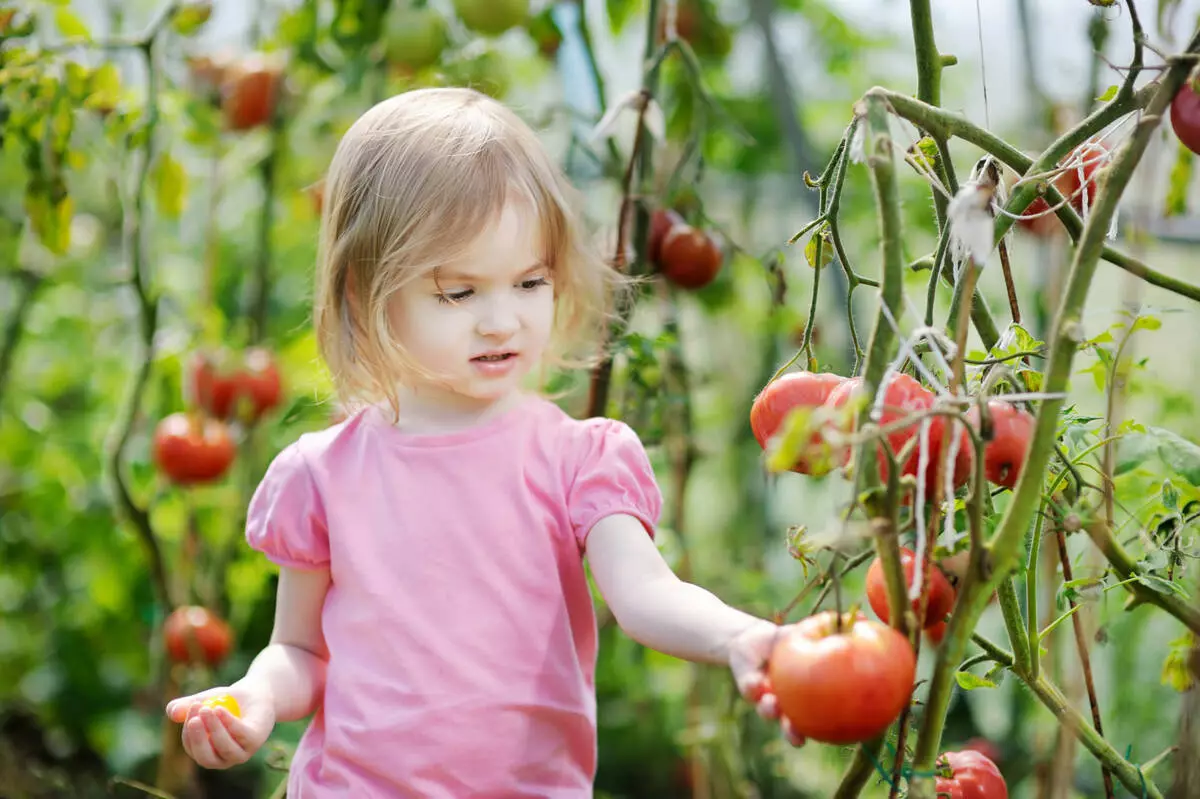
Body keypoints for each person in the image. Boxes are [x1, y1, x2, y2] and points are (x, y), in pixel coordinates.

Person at [165, 86, 798, 798]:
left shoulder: (576, 459)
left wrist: (740, 636)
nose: (503, 320)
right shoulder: (323, 473)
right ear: (361, 293)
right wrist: (257, 694)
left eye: (530, 282)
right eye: (459, 293)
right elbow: (301, 650)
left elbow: (646, 592)